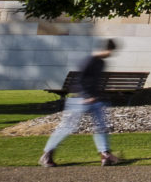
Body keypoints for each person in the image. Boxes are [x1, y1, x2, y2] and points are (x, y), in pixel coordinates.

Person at [40, 39, 127, 168]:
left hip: (94, 100)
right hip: (79, 100)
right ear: (105, 49)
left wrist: (98, 95)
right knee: (67, 127)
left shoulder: (101, 63)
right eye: (111, 51)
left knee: (101, 126)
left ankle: (105, 154)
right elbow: (79, 81)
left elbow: (94, 83)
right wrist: (86, 96)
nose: (111, 54)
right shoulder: (89, 61)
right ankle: (47, 154)